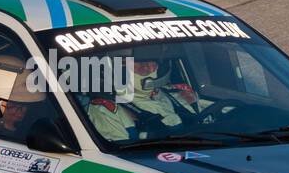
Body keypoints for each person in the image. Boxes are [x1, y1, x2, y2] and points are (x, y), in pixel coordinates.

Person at [87, 50, 215, 142]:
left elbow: (221, 112)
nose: (147, 68)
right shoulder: (105, 110)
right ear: (117, 69)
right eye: (139, 63)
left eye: (152, 62)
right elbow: (119, 158)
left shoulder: (175, 93)